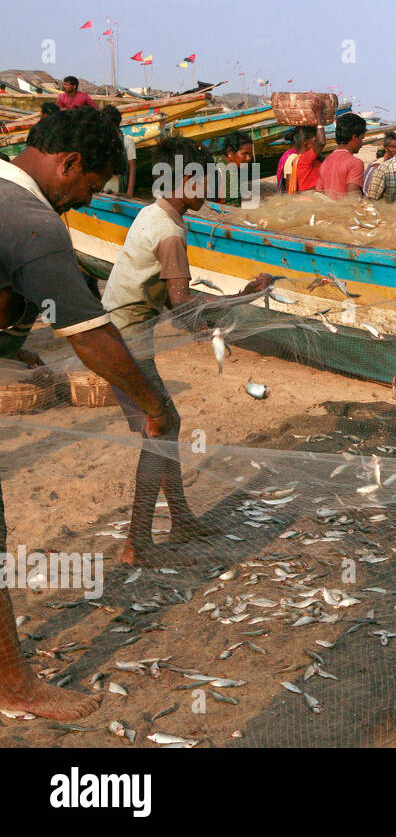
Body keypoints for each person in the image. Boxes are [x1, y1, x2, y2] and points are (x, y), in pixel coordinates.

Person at [0, 106, 177, 718]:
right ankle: (15, 689)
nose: (83, 200)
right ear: (69, 163)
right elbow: (87, 334)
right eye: (90, 187)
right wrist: (154, 404)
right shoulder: (33, 223)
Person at [101, 136, 272, 567]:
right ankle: (137, 542)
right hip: (125, 343)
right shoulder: (170, 234)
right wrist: (241, 299)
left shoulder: (152, 213)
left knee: (162, 427)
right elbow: (182, 310)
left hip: (118, 337)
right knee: (160, 429)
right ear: (189, 179)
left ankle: (180, 520)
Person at [318, 112, 368, 199]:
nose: (361, 144)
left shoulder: (326, 161)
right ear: (354, 137)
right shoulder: (355, 163)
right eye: (361, 139)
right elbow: (353, 198)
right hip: (345, 211)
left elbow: (319, 193)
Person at [100, 105, 135, 196]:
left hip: (119, 188)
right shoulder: (101, 140)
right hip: (101, 188)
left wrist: (129, 191)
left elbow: (132, 168)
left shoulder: (127, 142)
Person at [284, 123, 327, 194]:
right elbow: (321, 143)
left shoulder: (315, 159)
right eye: (315, 141)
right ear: (305, 144)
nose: (316, 144)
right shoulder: (303, 159)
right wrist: (320, 118)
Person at [219, 131, 254, 205]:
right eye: (244, 154)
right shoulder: (228, 172)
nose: (248, 158)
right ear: (230, 152)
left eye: (250, 154)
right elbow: (232, 205)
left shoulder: (219, 162)